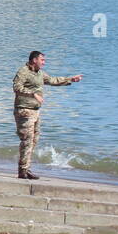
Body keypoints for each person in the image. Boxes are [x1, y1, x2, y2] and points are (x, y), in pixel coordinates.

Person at [12, 50, 83, 180]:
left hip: (36, 111)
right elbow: (16, 87)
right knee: (27, 140)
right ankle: (23, 171)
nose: (44, 62)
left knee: (33, 141)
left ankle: (25, 168)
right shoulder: (23, 72)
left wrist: (70, 79)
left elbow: (52, 80)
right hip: (24, 110)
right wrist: (32, 94)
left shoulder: (39, 73)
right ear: (34, 60)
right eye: (42, 60)